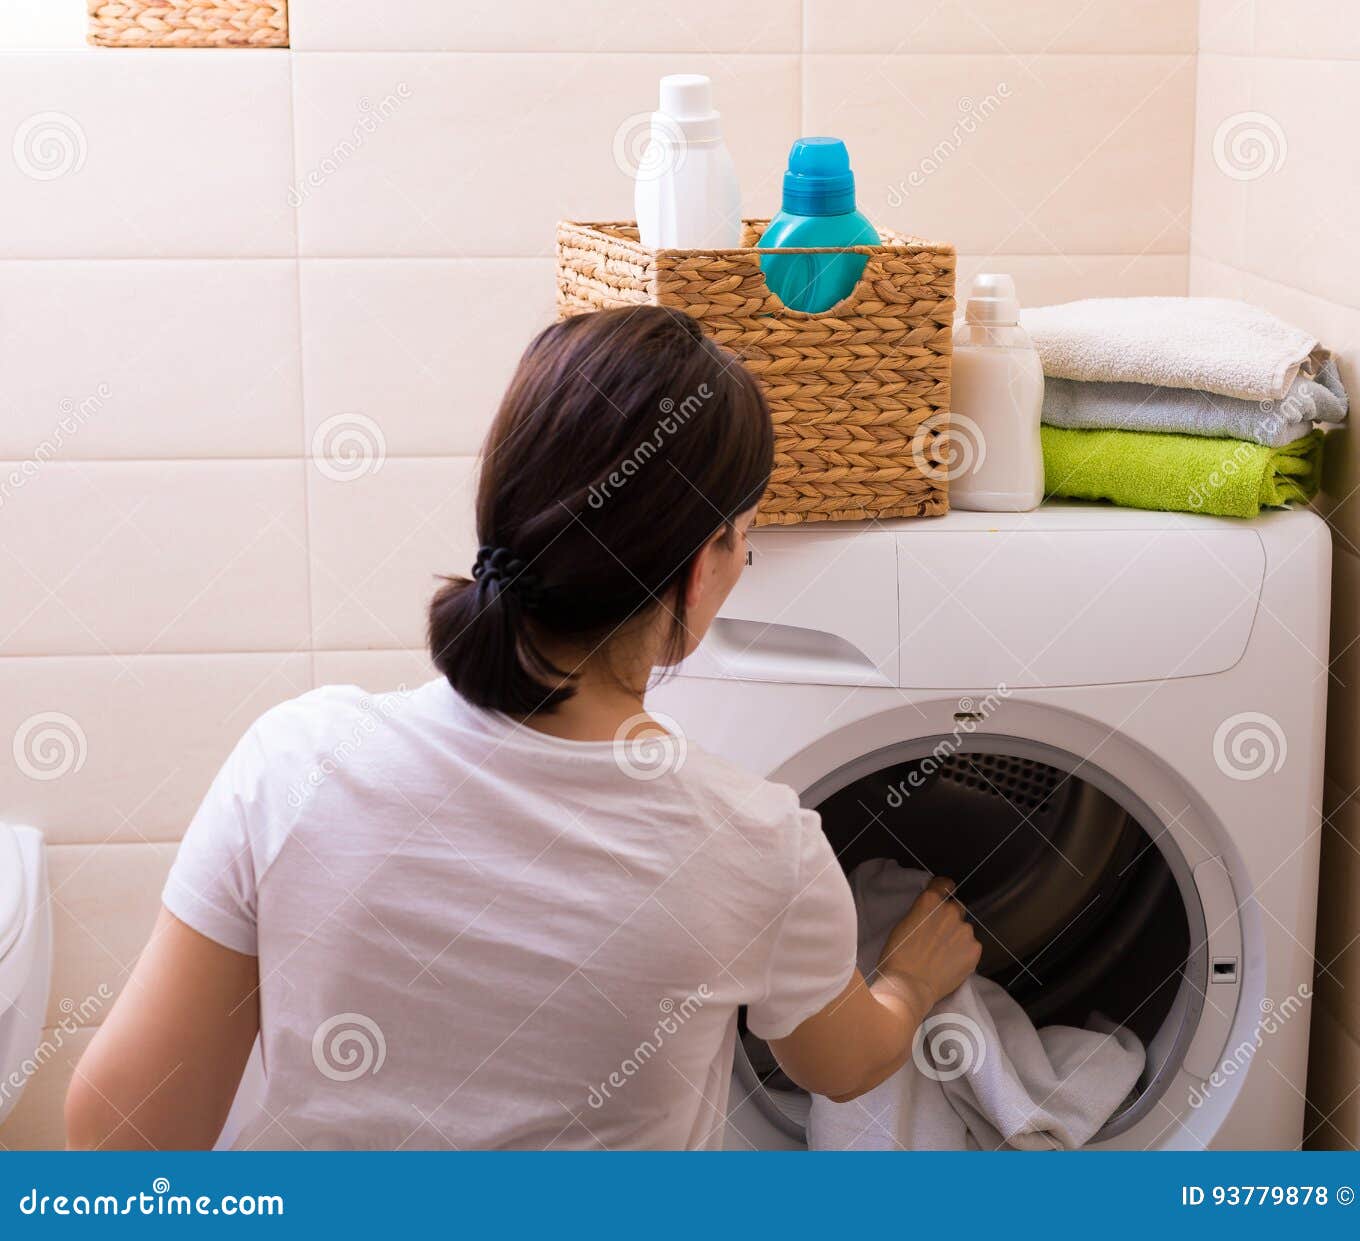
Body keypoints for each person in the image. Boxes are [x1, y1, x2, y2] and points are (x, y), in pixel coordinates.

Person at [66, 306, 980, 1150]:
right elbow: (843, 1063)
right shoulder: (758, 845)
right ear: (700, 570)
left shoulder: (296, 759)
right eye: (744, 536)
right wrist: (907, 982)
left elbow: (120, 1133)